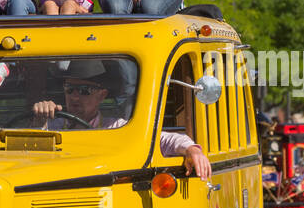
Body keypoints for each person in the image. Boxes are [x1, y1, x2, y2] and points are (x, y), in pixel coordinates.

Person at [29, 60, 210, 179]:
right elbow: (28, 153)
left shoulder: (115, 126)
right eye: (69, 89)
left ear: (102, 95)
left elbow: (162, 139)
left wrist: (192, 149)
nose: (74, 97)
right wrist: (39, 120)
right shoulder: (52, 126)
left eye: (84, 90)